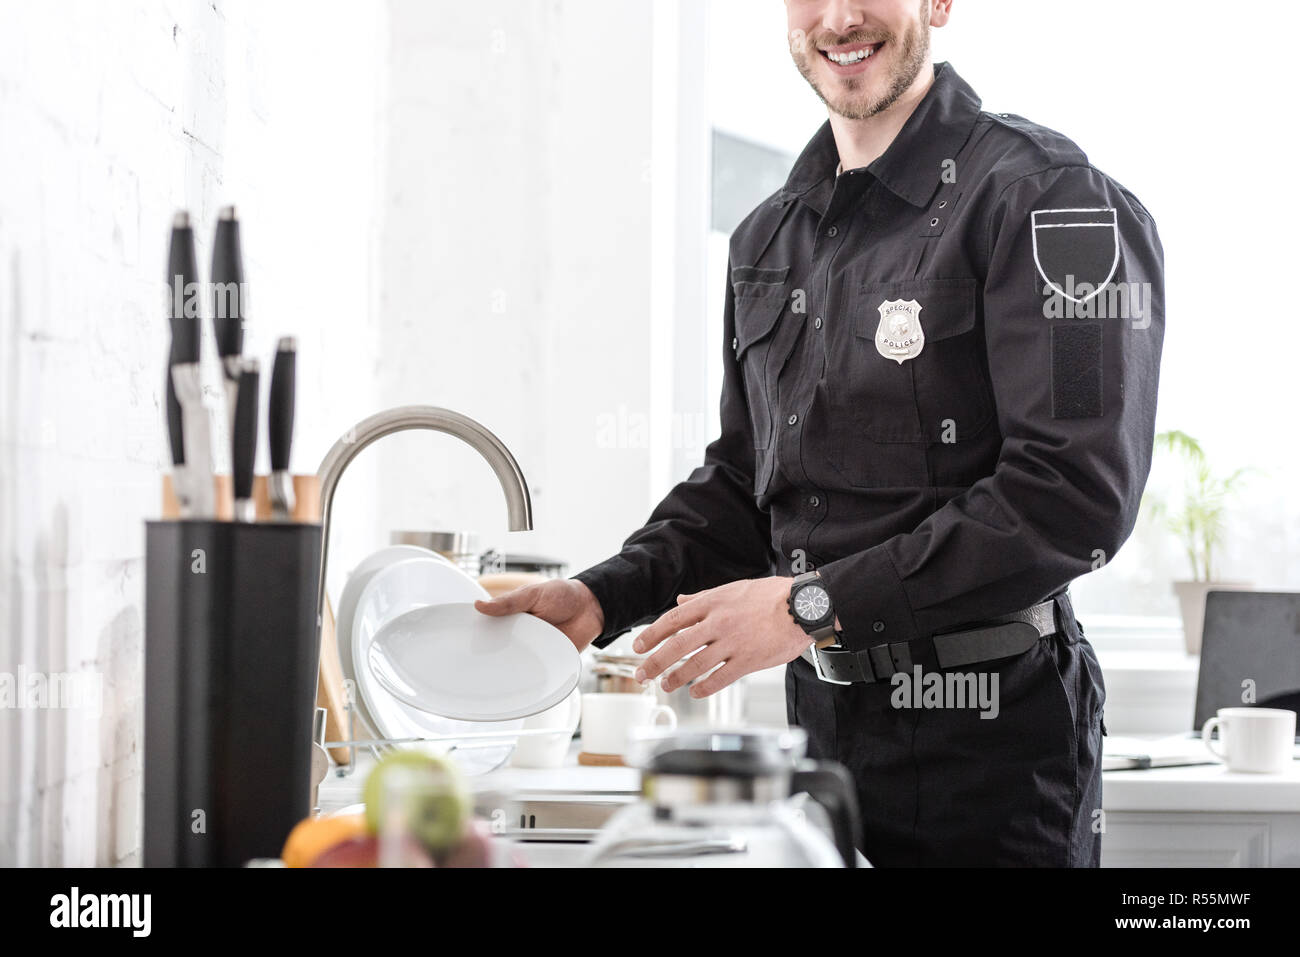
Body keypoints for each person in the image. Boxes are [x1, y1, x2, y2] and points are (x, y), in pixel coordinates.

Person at [477, 0, 1164, 866]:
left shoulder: (1049, 198)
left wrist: (810, 606)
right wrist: (599, 597)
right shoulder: (768, 235)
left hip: (996, 753)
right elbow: (745, 486)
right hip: (822, 742)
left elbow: (1071, 497)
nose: (839, 17)